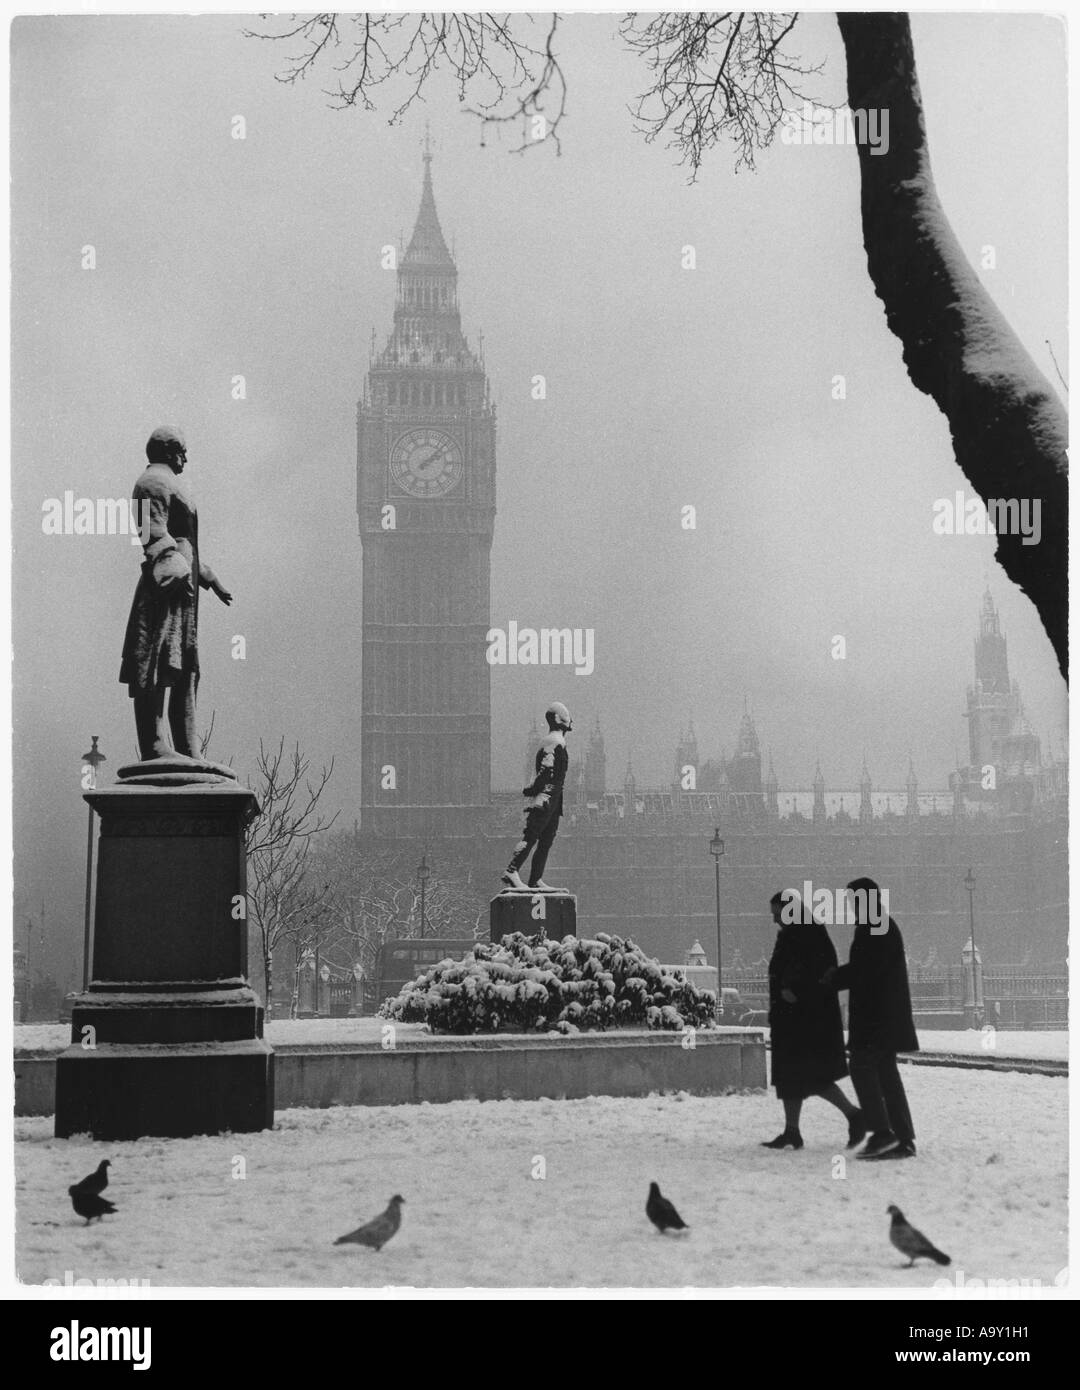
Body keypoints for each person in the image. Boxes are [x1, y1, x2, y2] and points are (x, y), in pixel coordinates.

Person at [119, 427, 232, 761]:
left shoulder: (171, 483)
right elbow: (151, 532)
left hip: (183, 587)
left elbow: (186, 540)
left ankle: (186, 747)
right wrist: (175, 567)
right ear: (169, 451)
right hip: (164, 586)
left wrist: (206, 576)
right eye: (183, 449)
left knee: (183, 666)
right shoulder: (150, 483)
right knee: (153, 662)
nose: (187, 456)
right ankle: (155, 745)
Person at [761, 890, 866, 1151]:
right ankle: (792, 1130)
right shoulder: (795, 934)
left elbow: (823, 976)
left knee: (811, 1077)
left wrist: (795, 992)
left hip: (806, 1021)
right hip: (790, 1019)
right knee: (790, 1078)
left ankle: (854, 1115)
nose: (774, 920)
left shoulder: (809, 934)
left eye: (777, 914)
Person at [827, 876, 920, 1160]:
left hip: (875, 1018)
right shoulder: (878, 924)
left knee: (862, 1068)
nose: (851, 906)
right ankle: (902, 1138)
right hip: (884, 1016)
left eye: (853, 900)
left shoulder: (875, 926)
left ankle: (883, 1133)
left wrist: (834, 977)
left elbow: (866, 970)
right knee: (887, 1076)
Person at [501, 702, 572, 891]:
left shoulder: (558, 744)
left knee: (546, 841)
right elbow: (545, 774)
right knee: (532, 836)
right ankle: (512, 869)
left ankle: (535, 879)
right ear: (559, 720)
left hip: (554, 802)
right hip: (546, 800)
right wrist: (533, 790)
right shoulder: (553, 744)